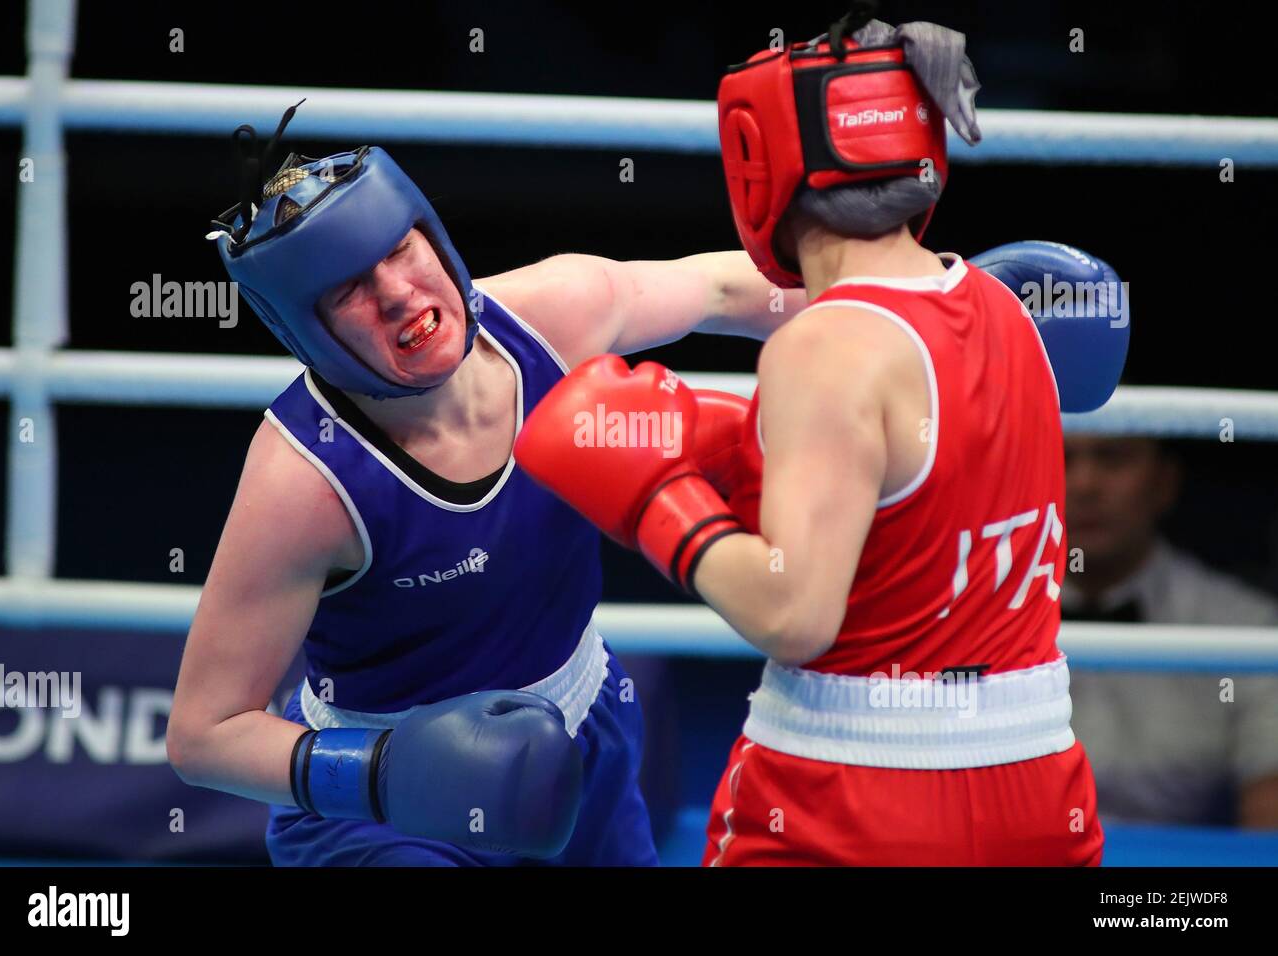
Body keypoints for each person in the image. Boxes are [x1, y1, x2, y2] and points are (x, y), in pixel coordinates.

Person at [516, 11, 1127, 865]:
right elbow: (918, 490)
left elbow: (793, 613)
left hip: (851, 788)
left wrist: (653, 492)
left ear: (756, 160)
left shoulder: (823, 344)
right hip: (1038, 781)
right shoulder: (1007, 309)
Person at [166, 114, 822, 865]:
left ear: (431, 233)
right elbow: (202, 732)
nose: (396, 294)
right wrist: (379, 776)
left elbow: (728, 288)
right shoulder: (303, 479)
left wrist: (918, 307)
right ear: (307, 333)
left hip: (588, 736)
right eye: (349, 288)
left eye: (399, 250)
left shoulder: (555, 317)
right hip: (387, 816)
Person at [1063, 436, 1278, 828]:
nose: (1084, 485)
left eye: (1113, 457)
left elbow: (1269, 822)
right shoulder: (968, 617)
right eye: (1060, 460)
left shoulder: (1249, 630)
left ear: (1164, 483)